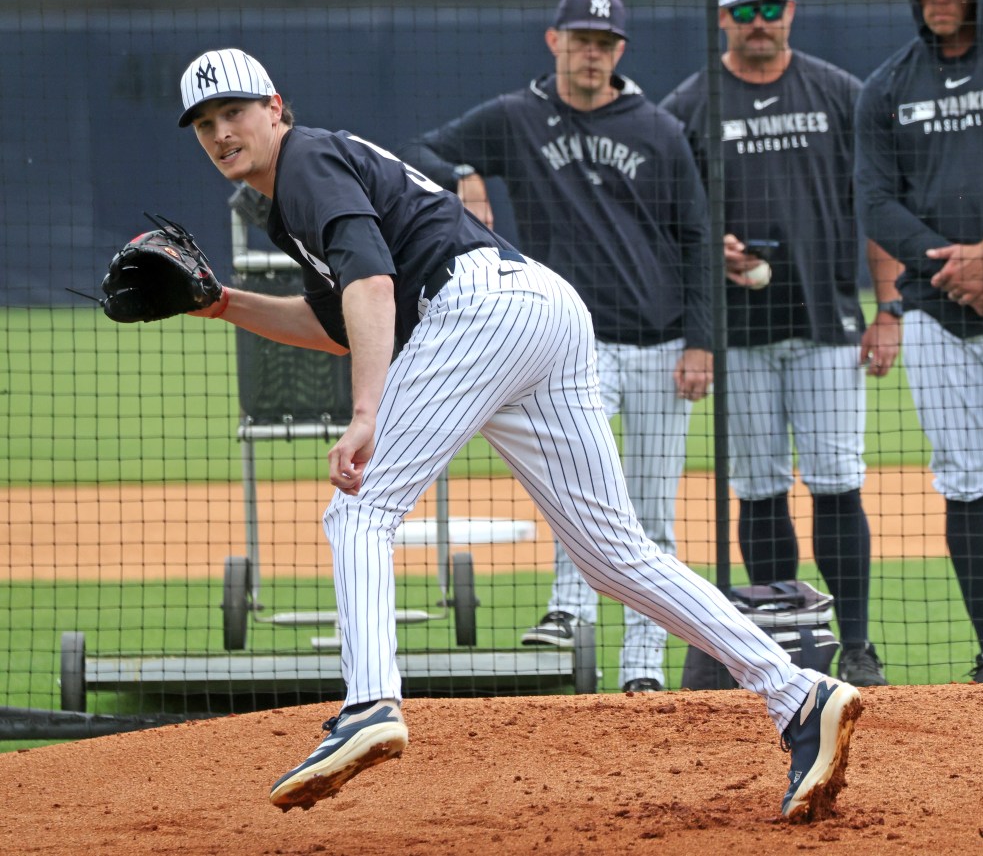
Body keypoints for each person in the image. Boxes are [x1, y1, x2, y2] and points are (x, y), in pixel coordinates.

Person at [174, 46, 862, 818]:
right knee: (615, 553)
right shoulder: (297, 191)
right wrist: (222, 302)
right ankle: (800, 694)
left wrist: (365, 413)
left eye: (234, 111)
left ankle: (369, 704)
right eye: (204, 123)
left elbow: (372, 283)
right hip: (537, 309)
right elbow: (338, 324)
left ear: (274, 106)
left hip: (476, 309)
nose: (221, 131)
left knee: (360, 509)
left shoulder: (306, 162)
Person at [399, 0, 712, 694]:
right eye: (581, 41)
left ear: (619, 52)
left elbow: (696, 237)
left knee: (651, 516)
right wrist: (467, 174)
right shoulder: (518, 117)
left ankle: (643, 669)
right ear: (555, 42)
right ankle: (569, 620)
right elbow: (420, 150)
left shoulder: (659, 129)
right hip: (575, 350)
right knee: (583, 499)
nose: (592, 54)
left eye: (605, 44)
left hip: (664, 344)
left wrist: (702, 341)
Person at [660, 0, 901, 688]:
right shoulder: (691, 106)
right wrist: (712, 255)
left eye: (772, 9)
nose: (759, 24)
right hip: (739, 337)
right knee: (759, 489)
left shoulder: (841, 94)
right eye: (745, 11)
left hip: (827, 323)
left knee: (837, 483)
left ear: (791, 11)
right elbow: (668, 221)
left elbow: (879, 206)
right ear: (723, 17)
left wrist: (887, 306)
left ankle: (853, 642)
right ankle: (774, 644)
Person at [855, 0, 983, 683]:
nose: (939, 0)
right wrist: (956, 268)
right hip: (936, 312)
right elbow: (874, 201)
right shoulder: (887, 87)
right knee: (963, 478)